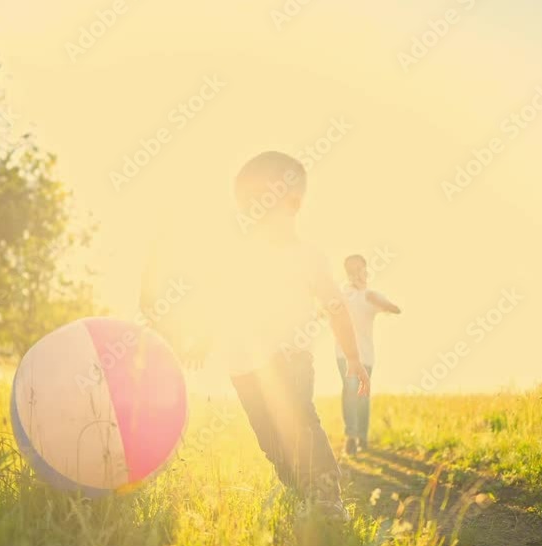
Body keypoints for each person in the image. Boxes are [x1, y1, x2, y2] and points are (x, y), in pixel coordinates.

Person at [139, 151, 369, 520]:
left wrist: (354, 357)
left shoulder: (308, 256)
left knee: (297, 418)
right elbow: (224, 303)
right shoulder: (238, 254)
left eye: (262, 205)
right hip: (243, 365)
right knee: (269, 436)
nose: (252, 214)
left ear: (293, 204)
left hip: (289, 355)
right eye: (247, 207)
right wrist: (204, 341)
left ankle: (326, 495)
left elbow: (336, 306)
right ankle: (300, 489)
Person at [335, 254, 401, 455]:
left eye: (360, 269)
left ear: (365, 270)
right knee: (351, 389)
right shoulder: (342, 293)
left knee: (362, 396)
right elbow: (324, 310)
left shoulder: (371, 295)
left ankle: (362, 437)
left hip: (366, 356)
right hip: (344, 354)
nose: (357, 273)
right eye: (352, 270)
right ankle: (351, 437)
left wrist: (380, 301)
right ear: (347, 273)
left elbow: (396, 309)